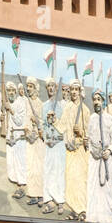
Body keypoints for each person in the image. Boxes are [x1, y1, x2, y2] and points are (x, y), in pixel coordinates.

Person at [86, 89, 112, 223]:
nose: (96, 102)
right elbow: (88, 139)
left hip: (107, 161)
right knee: (92, 190)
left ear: (103, 101)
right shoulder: (92, 119)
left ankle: (107, 222)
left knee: (106, 191)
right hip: (94, 160)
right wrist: (87, 144)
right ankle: (92, 219)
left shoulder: (110, 119)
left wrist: (109, 151)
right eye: (94, 99)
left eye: (99, 99)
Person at [62, 81, 90, 220]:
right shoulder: (67, 108)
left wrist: (81, 133)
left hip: (80, 150)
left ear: (80, 91)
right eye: (71, 89)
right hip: (69, 149)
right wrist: (52, 121)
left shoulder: (85, 110)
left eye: (76, 89)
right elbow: (61, 126)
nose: (73, 92)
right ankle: (74, 210)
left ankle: (83, 210)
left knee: (80, 179)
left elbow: (90, 133)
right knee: (71, 179)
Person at [41, 78, 66, 215]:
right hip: (49, 143)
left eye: (53, 86)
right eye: (48, 86)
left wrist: (55, 120)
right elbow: (43, 125)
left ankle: (60, 201)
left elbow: (64, 126)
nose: (51, 88)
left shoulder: (62, 106)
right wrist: (46, 137)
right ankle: (49, 201)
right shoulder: (44, 106)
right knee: (49, 170)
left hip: (59, 143)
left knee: (59, 171)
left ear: (56, 88)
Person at [3, 80, 28, 199]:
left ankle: (22, 187)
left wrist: (11, 110)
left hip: (19, 137)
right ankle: (17, 186)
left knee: (20, 162)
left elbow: (19, 121)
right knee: (11, 162)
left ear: (16, 92)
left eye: (13, 90)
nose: (11, 92)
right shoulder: (7, 103)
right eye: (9, 91)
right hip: (10, 137)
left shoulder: (20, 103)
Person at [23, 76, 45, 207]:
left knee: (39, 167)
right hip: (29, 139)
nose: (29, 89)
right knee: (30, 167)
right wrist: (27, 130)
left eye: (31, 86)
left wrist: (37, 121)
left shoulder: (41, 104)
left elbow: (44, 122)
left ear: (36, 88)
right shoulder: (27, 103)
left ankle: (41, 194)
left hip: (38, 140)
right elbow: (25, 118)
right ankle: (32, 194)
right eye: (28, 86)